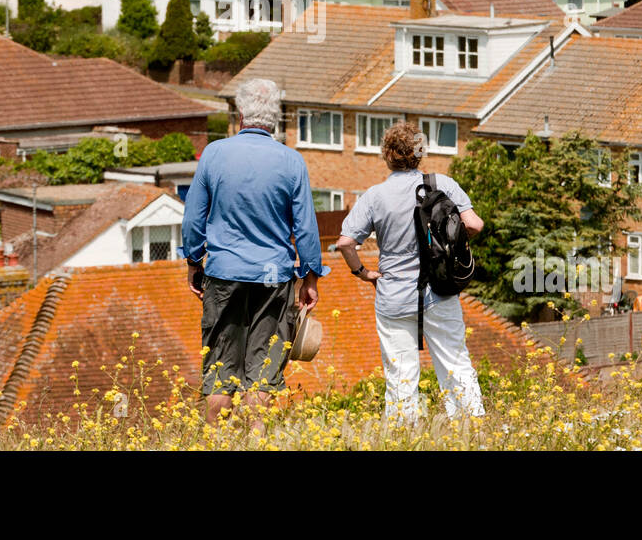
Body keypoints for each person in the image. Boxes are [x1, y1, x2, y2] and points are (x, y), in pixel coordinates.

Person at [182, 77, 324, 426]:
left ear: (241, 114)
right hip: (273, 278)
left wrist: (193, 262)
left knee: (219, 364)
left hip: (223, 273)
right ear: (274, 119)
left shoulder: (214, 153)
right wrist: (310, 278)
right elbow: (306, 229)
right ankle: (256, 439)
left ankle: (216, 441)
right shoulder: (292, 162)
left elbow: (193, 220)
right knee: (263, 367)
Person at [336, 122, 486, 421]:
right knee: (455, 362)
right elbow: (474, 224)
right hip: (440, 289)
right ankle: (471, 427)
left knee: (400, 372)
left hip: (394, 295)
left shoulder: (375, 196)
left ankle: (405, 431)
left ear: (387, 155)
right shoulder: (443, 183)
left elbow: (345, 243)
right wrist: (451, 248)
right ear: (420, 153)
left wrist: (363, 273)